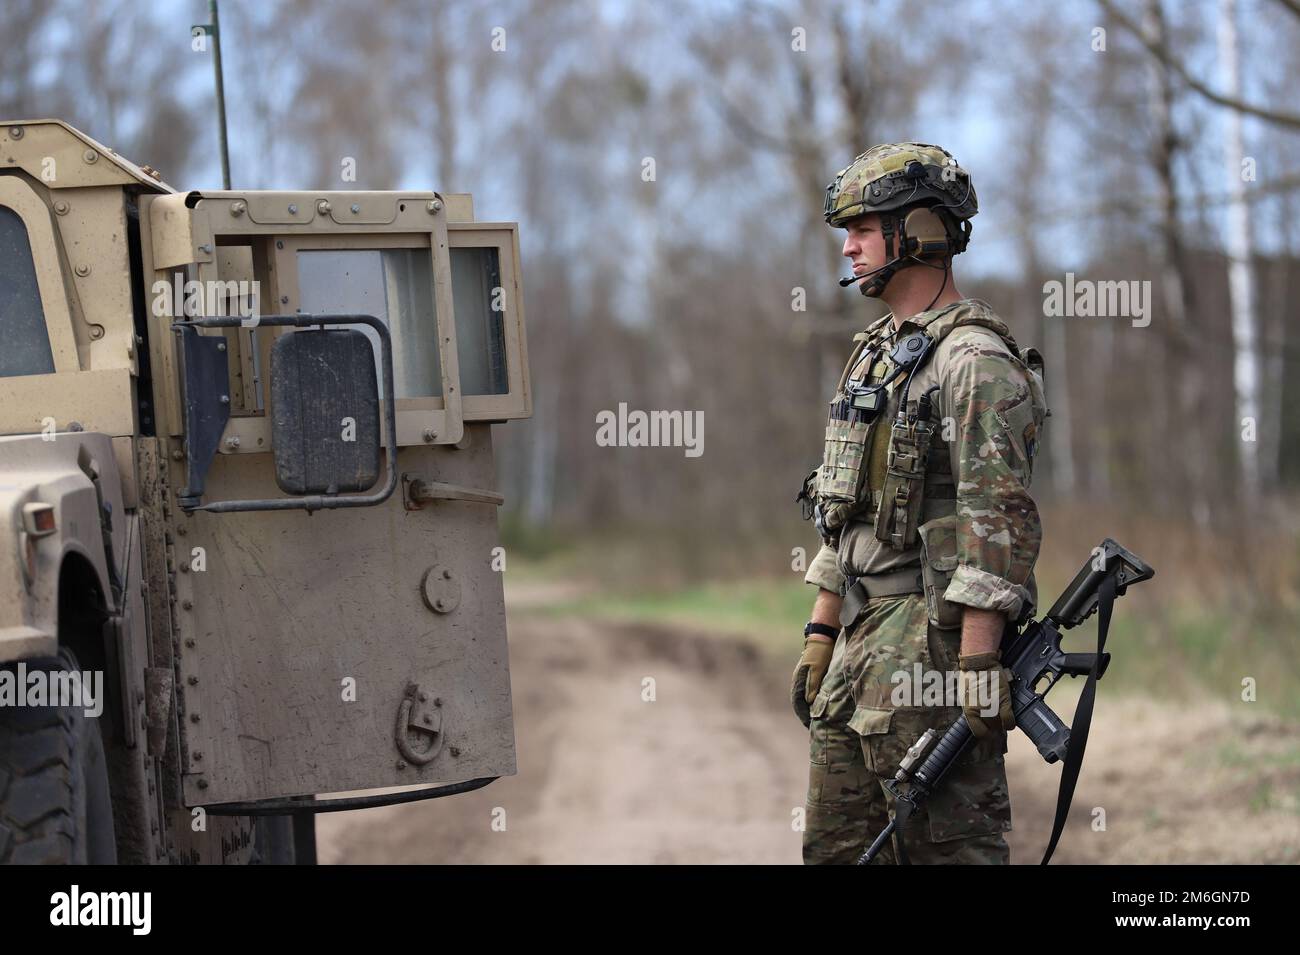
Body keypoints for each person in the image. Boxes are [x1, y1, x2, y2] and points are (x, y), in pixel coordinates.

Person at [791, 142, 1048, 864]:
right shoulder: (877, 351)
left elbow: (997, 524)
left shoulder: (974, 361)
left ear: (919, 235)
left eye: (862, 231)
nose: (848, 249)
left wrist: (975, 665)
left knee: (944, 851)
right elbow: (843, 508)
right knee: (839, 852)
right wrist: (820, 632)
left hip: (931, 652)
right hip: (860, 652)